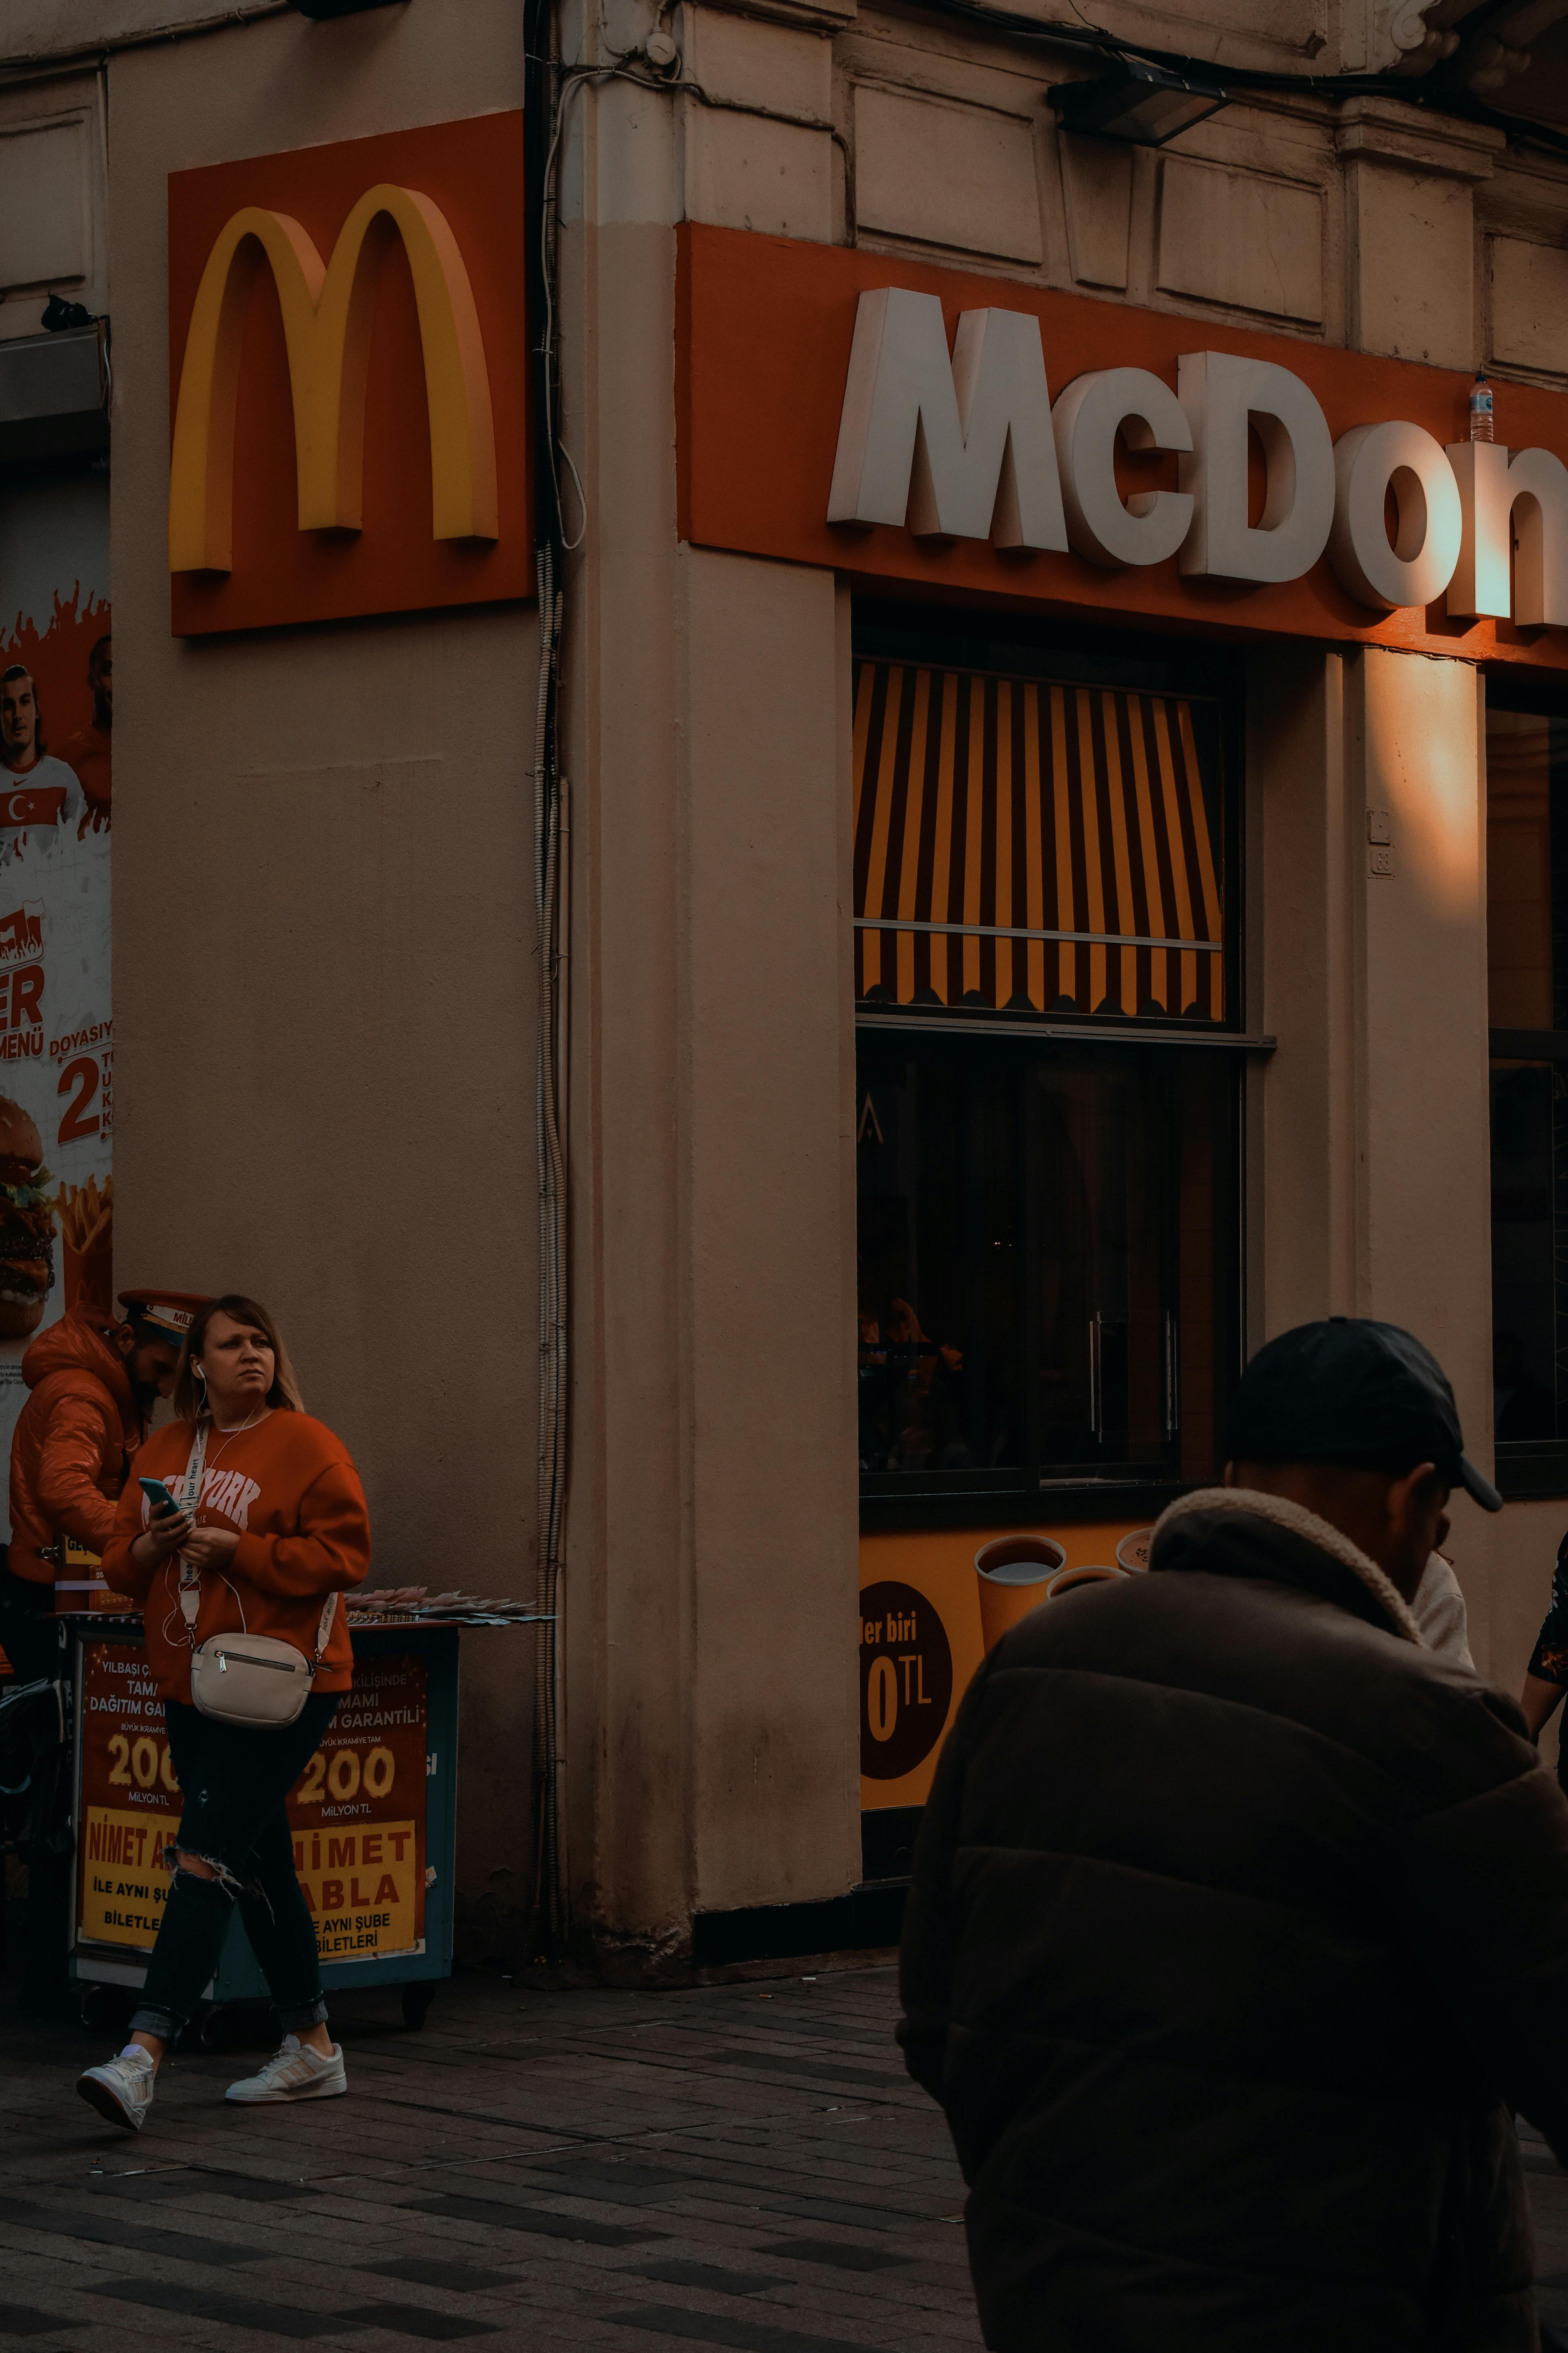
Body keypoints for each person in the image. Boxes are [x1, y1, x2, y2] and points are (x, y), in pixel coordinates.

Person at [900, 1316, 1568, 2353]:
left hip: (1053, 2296)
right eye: (1442, 1515)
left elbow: (936, 2016)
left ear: (1231, 1475)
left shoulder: (1033, 1662)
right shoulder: (1428, 1721)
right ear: (1411, 1498)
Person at [76, 1294, 370, 2133]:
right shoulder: (167, 1448)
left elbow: (346, 1552)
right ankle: (312, 2041)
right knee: (260, 1858)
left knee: (203, 1856)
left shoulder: (307, 1442)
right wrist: (156, 1542)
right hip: (192, 1682)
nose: (252, 1355)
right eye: (231, 1343)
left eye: (262, 1342)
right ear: (196, 1366)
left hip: (287, 1684)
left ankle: (140, 2057)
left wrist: (238, 1548)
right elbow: (123, 1569)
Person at [2, 1288, 197, 2013]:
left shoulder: (116, 1390)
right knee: (62, 1786)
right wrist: (135, 1548)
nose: (167, 1378)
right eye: (161, 1360)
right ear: (128, 1340)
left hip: (62, 1597)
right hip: (50, 1606)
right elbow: (63, 1488)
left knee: (66, 1779)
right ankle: (49, 1978)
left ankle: (60, 1969)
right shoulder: (86, 1395)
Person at [57, 633, 111, 826]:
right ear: (92, 680)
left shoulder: (154, 745)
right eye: (109, 671)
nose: (119, 681)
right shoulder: (70, 756)